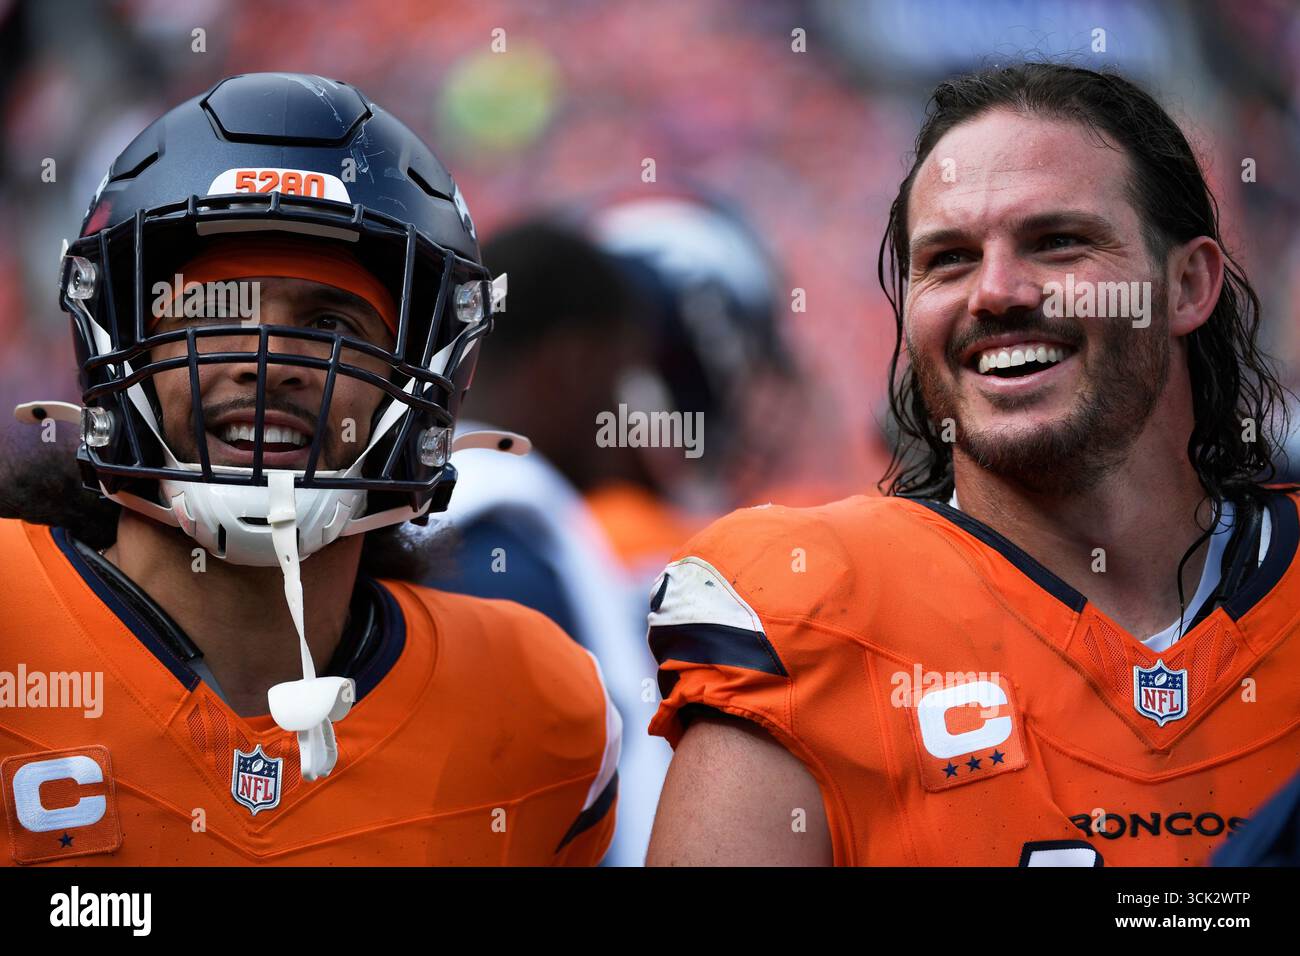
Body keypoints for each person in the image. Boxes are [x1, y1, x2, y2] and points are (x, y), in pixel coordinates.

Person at [645, 63, 1299, 866]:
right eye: (949, 258)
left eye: (1058, 242)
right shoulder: (815, 608)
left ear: (1187, 284)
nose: (995, 291)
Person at [0, 73, 618, 866]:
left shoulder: (536, 709)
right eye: (216, 310)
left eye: (331, 323)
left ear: (418, 375)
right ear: (124, 342)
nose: (272, 363)